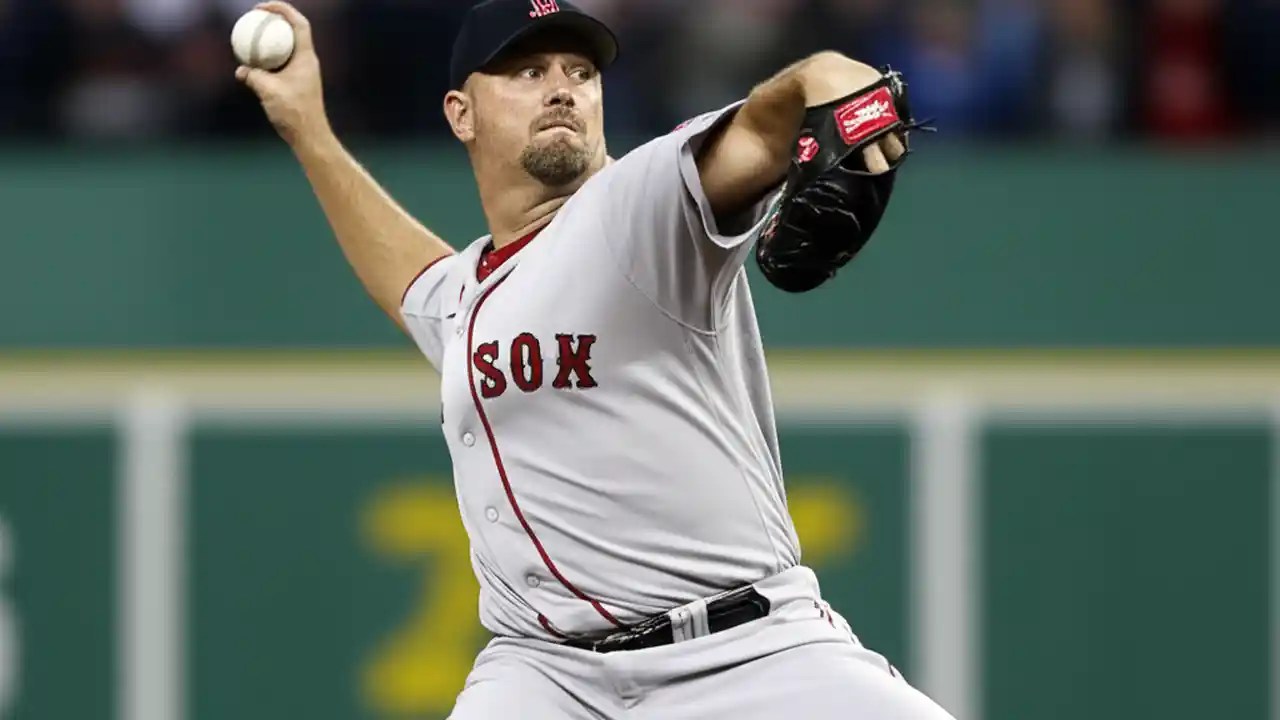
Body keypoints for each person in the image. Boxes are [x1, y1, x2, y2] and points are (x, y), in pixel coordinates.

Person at [236, 1, 953, 717]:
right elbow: (410, 280)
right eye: (527, 70)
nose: (561, 87)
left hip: (745, 655)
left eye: (581, 71)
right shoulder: (471, 295)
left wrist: (825, 73)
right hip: (546, 675)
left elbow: (761, 130)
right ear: (461, 114)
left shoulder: (637, 205)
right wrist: (309, 129)